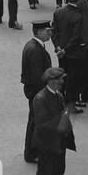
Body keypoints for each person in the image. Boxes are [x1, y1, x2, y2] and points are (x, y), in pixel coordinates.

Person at [32, 68, 74, 175]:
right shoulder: (40, 98)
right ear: (51, 81)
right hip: (47, 143)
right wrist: (61, 121)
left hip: (59, 142)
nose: (62, 82)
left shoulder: (59, 96)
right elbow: (42, 124)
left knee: (58, 171)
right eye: (60, 79)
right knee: (45, 174)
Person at [52, 0, 88, 112]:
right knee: (73, 80)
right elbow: (76, 37)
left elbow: (54, 32)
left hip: (61, 53)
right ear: (78, 0)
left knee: (62, 78)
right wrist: (66, 50)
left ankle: (59, 104)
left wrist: (58, 47)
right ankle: (70, 106)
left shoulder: (58, 12)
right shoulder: (78, 16)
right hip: (74, 54)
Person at [21, 21, 54, 162]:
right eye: (48, 31)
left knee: (35, 121)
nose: (50, 33)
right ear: (39, 32)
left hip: (34, 91)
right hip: (36, 92)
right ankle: (31, 153)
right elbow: (37, 77)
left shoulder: (33, 46)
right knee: (35, 122)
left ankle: (33, 151)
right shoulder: (35, 50)